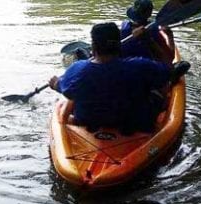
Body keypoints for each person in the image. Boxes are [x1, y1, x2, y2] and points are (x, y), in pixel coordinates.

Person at [49, 22, 189, 134]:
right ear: (119, 45)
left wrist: (55, 83)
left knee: (72, 94)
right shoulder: (140, 66)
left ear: (93, 46)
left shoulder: (77, 68)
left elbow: (61, 87)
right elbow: (168, 66)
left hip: (90, 121)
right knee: (163, 85)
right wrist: (149, 41)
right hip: (133, 122)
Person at [120, 0, 175, 64]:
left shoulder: (123, 29)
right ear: (149, 14)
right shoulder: (154, 32)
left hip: (127, 68)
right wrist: (170, 36)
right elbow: (169, 59)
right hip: (149, 69)